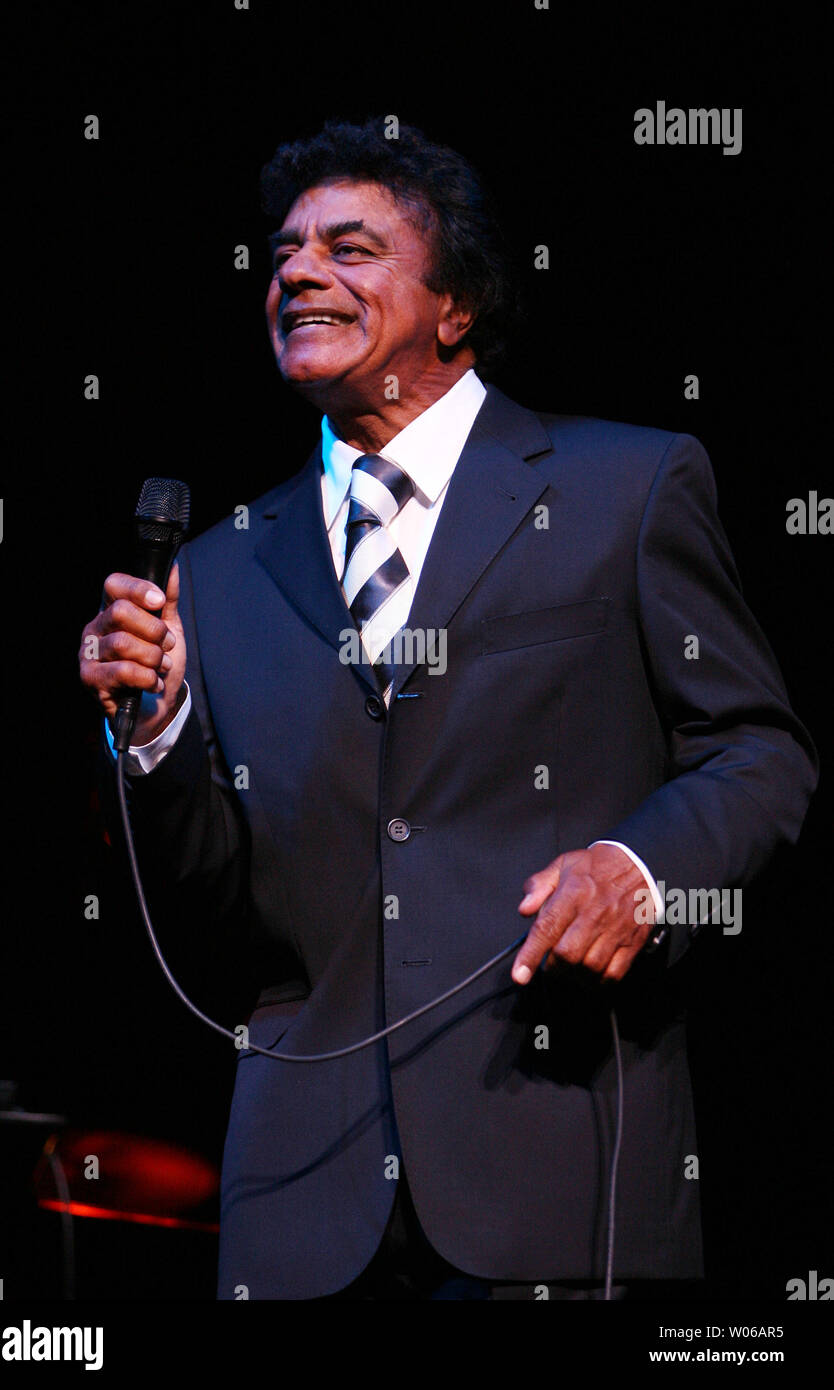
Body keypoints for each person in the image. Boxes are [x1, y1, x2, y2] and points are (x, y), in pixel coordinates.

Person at [79, 119, 817, 1301]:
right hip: (299, 1206)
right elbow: (208, 914)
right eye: (283, 253)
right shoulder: (217, 568)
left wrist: (640, 866)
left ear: (456, 305)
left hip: (555, 1162)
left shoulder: (623, 486)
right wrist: (156, 732)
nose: (299, 272)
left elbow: (758, 752)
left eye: (351, 248)